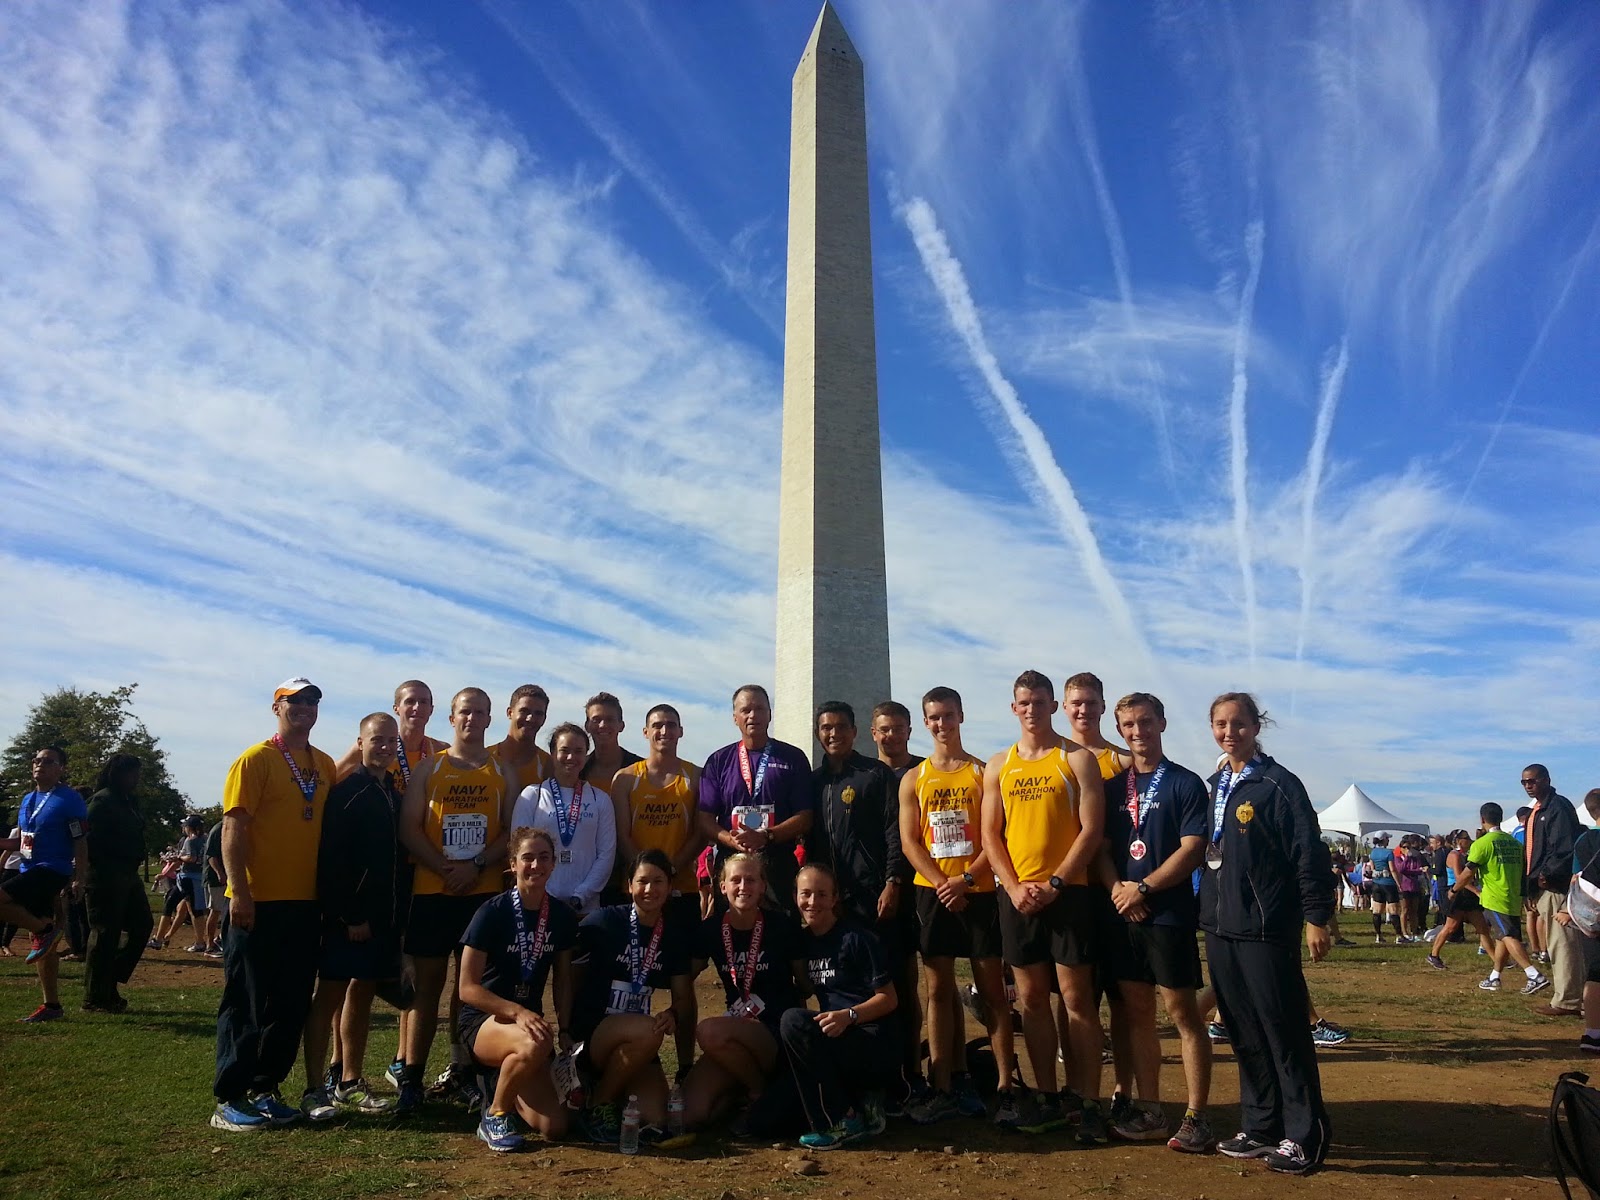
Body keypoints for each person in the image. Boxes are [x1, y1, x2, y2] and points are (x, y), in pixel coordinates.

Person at [1201, 692, 1332, 1175]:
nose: (1229, 732)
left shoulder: (1279, 785)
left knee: (1284, 1031)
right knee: (1243, 1031)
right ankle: (1260, 1125)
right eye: (1220, 724)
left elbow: (1308, 851)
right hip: (1221, 926)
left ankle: (1305, 1135)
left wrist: (1316, 915)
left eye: (1239, 723)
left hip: (1266, 926)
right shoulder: (1216, 784)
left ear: (1257, 727)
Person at [980, 669, 1107, 1139]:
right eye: (1024, 703)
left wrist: (1056, 882)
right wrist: (1014, 887)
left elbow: (1091, 831)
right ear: (1013, 708)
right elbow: (991, 835)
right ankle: (1048, 1097)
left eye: (1039, 702)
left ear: (1053, 706)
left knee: (1076, 1000)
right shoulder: (1000, 764)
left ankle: (1088, 1101)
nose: (1031, 710)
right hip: (1017, 897)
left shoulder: (1076, 759)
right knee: (1032, 1000)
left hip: (1069, 894)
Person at [211, 678, 336, 1131]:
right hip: (257, 902)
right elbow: (234, 829)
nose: (305, 706)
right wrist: (240, 891)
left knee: (291, 1002)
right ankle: (230, 1097)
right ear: (276, 707)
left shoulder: (323, 764)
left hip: (305, 904)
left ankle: (266, 1088)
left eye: (312, 700)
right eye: (294, 700)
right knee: (246, 1000)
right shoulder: (255, 759)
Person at [1095, 693, 1214, 1151]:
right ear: (1120, 730)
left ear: (1162, 723)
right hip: (1123, 914)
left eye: (1145, 722)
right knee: (1137, 1013)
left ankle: (1197, 1116)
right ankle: (1150, 1109)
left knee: (1183, 1014)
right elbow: (1102, 850)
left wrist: (1142, 889)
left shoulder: (1184, 783)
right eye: (1129, 725)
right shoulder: (1113, 788)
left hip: (1167, 915)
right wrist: (1118, 891)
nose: (1138, 731)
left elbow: (1193, 849)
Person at [398, 687, 516, 1111]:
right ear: (451, 718)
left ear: (489, 720)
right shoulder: (429, 768)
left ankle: (462, 1071)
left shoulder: (503, 771)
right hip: (433, 892)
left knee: (470, 989)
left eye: (480, 712)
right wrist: (445, 867)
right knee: (426, 988)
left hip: (481, 894)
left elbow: (510, 831)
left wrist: (476, 865)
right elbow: (409, 827)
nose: (471, 719)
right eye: (465, 711)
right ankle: (411, 1079)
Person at [897, 685, 1009, 1125]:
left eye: (948, 715)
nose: (941, 724)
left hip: (978, 891)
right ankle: (941, 1085)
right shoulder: (915, 777)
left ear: (961, 716)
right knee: (938, 991)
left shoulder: (982, 772)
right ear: (925, 723)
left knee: (992, 992)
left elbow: (995, 836)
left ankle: (1005, 1087)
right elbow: (910, 841)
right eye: (934, 717)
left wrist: (965, 880)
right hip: (933, 892)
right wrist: (943, 883)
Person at [809, 700, 921, 1107]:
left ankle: (907, 1078)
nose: (833, 733)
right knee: (845, 988)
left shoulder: (874, 774)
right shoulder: (814, 781)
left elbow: (894, 833)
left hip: (875, 901)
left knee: (893, 987)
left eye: (841, 726)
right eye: (826, 727)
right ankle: (858, 1078)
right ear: (818, 733)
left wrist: (892, 881)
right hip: (835, 906)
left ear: (855, 732)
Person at [301, 713, 410, 1119]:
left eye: (391, 741)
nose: (384, 747)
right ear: (360, 743)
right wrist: (350, 915)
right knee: (328, 996)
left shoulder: (393, 794)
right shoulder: (346, 792)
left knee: (361, 996)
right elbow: (332, 861)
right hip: (349, 920)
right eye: (376, 740)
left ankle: (350, 1081)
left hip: (383, 920)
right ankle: (314, 1088)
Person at [458, 826, 580, 1151]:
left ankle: (500, 1080)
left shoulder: (562, 916)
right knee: (535, 1041)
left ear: (553, 863)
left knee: (555, 1127)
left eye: (544, 857)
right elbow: (467, 989)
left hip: (528, 1029)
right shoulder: (491, 912)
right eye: (528, 858)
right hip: (483, 1021)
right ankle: (495, 1114)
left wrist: (566, 1029)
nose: (536, 865)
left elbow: (563, 981)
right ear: (513, 864)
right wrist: (517, 1012)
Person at [571, 849, 696, 1144]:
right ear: (628, 886)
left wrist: (673, 1014)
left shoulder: (674, 935)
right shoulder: (604, 921)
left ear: (670, 886)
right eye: (642, 881)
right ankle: (598, 1104)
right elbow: (567, 965)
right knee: (648, 1031)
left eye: (658, 881)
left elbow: (683, 997)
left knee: (656, 1118)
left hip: (638, 1040)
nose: (650, 889)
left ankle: (607, 1091)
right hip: (597, 1032)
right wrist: (567, 1026)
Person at [682, 853, 807, 1133]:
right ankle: (741, 1091)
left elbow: (806, 984)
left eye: (750, 880)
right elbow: (682, 977)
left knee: (709, 1032)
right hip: (736, 1034)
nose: (743, 887)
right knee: (691, 1114)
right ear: (722, 886)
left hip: (775, 1033)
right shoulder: (711, 930)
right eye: (735, 880)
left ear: (763, 886)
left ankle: (760, 1093)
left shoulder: (783, 926)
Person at [784, 862, 900, 1150]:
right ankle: (859, 1102)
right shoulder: (802, 941)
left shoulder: (857, 938)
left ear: (835, 898)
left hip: (869, 1036)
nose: (813, 902)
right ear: (795, 896)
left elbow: (889, 998)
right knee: (770, 1118)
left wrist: (850, 1015)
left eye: (822, 894)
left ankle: (844, 1119)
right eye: (805, 894)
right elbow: (805, 988)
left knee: (793, 1021)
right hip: (834, 1034)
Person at [697, 685, 813, 917]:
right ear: (735, 718)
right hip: (732, 862)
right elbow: (704, 818)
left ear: (769, 714)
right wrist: (730, 839)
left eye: (759, 709)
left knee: (781, 930)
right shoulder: (718, 761)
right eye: (745, 710)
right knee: (728, 928)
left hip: (777, 861)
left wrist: (767, 835)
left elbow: (805, 816)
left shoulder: (793, 758)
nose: (753, 715)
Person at [0, 745, 88, 1022]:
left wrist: (80, 877)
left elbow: (80, 841)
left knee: (38, 929)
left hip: (52, 869)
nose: (40, 764)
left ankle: (45, 930)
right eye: (37, 760)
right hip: (29, 867)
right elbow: (23, 842)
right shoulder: (28, 799)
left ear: (61, 768)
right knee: (42, 944)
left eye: (48, 761)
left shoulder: (70, 799)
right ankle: (52, 1005)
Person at [609, 704, 705, 925]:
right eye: (657, 725)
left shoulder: (697, 776)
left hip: (682, 887)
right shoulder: (625, 779)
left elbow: (701, 834)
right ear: (645, 732)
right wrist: (647, 876)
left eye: (671, 725)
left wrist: (670, 871)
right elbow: (622, 836)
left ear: (680, 731)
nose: (664, 731)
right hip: (638, 889)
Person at [510, 724, 616, 916]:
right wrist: (545, 896)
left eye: (578, 751)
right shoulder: (532, 796)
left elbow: (606, 855)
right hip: (538, 904)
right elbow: (519, 851)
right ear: (552, 753)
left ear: (586, 756)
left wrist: (581, 896)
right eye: (564, 750)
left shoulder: (600, 799)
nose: (571, 757)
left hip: (586, 907)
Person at [83, 753, 152, 1012]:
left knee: (142, 925)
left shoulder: (129, 801)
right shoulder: (101, 801)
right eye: (131, 772)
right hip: (104, 875)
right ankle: (95, 997)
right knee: (104, 934)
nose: (136, 778)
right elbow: (86, 837)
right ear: (117, 774)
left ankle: (110, 977)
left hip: (128, 874)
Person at [1462, 803, 1550, 999]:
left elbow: (1468, 872)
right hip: (1513, 896)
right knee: (1502, 936)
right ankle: (1495, 976)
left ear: (1482, 819)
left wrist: (1454, 890)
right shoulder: (1514, 843)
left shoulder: (1482, 844)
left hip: (1495, 897)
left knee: (1508, 936)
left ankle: (1533, 974)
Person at [1523, 765, 1585, 1017]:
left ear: (1546, 780)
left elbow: (1563, 847)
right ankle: (1574, 996)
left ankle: (1568, 1000)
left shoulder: (1557, 807)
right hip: (1542, 885)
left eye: (1532, 781)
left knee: (1563, 943)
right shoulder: (1537, 811)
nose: (1528, 786)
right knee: (1558, 943)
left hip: (1555, 886)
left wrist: (1545, 876)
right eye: (1524, 782)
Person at [334, 680, 447, 784]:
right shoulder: (373, 746)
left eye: (423, 702)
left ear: (431, 709)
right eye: (410, 701)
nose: (417, 707)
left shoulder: (441, 751)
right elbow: (332, 777)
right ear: (396, 708)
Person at [1560, 788, 1600, 1054]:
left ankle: (1592, 1033)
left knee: (1595, 972)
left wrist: (1567, 908)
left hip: (1591, 914)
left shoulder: (1583, 840)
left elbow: (1576, 877)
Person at [1426, 829, 1495, 969]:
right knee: (1450, 927)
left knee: (1482, 928)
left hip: (1467, 894)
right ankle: (1433, 955)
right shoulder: (1454, 855)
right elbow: (1460, 878)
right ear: (1458, 841)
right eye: (1466, 838)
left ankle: (1497, 960)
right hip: (1457, 894)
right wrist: (1476, 891)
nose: (1469, 840)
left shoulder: (1466, 855)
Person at [490, 684, 555, 797]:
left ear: (544, 718)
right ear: (510, 713)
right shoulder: (487, 758)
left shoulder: (548, 765)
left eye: (538, 713)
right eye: (524, 711)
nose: (530, 718)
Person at [1366, 833, 1403, 943]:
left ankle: (1378, 935)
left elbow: (1372, 868)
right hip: (1388, 883)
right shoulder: (1388, 853)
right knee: (1393, 910)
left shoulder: (1373, 852)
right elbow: (1392, 869)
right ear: (1384, 840)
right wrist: (1398, 883)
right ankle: (1399, 936)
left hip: (1376, 883)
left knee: (1377, 911)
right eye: (1387, 838)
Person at [870, 701, 923, 778]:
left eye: (898, 729)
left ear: (909, 732)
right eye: (884, 730)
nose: (891, 735)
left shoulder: (926, 771)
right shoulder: (865, 775)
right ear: (874, 734)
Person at [202, 818, 225, 956]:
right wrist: (219, 873)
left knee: (226, 910)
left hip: (226, 876)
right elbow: (211, 855)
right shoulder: (218, 829)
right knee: (215, 910)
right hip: (215, 878)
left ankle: (220, 939)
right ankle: (209, 946)